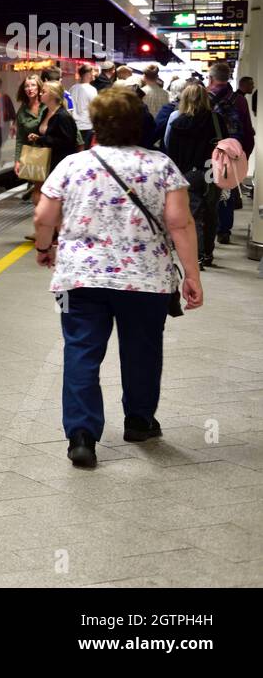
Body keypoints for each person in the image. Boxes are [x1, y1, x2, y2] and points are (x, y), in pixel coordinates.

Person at [33, 88, 203, 468]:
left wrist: (45, 249)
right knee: (143, 349)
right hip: (146, 281)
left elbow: (43, 218)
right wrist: (191, 274)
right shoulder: (161, 166)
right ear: (138, 124)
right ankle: (140, 421)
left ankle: (81, 435)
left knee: (80, 350)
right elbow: (180, 222)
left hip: (78, 279)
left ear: (96, 124)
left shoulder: (73, 165)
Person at [165, 84, 221, 269]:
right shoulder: (216, 120)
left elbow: (170, 149)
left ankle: (197, 254)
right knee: (211, 211)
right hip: (211, 172)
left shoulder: (178, 123)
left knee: (193, 214)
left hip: (187, 173)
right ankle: (208, 253)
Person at [207, 64, 254, 244]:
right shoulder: (238, 100)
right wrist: (245, 155)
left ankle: (208, 229)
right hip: (232, 154)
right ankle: (224, 230)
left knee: (208, 190)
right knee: (227, 189)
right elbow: (248, 131)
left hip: (209, 152)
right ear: (229, 78)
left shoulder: (204, 97)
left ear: (211, 78)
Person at [14, 73, 45, 237]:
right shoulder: (23, 111)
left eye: (33, 85)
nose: (29, 89)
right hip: (33, 154)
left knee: (51, 192)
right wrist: (17, 160)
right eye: (26, 86)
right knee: (39, 190)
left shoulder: (47, 106)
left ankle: (53, 228)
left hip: (50, 151)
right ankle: (40, 229)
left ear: (39, 87)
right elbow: (20, 138)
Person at [26, 81, 79, 174]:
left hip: (60, 166)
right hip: (47, 162)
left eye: (43, 91)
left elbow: (67, 142)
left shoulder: (62, 116)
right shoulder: (46, 112)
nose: (40, 93)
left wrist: (41, 139)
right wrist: (37, 137)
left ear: (53, 95)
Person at [69, 64, 98, 147]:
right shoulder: (92, 90)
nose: (94, 75)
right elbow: (94, 108)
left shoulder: (72, 88)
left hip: (74, 126)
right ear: (88, 74)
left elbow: (69, 107)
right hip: (87, 125)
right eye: (92, 73)